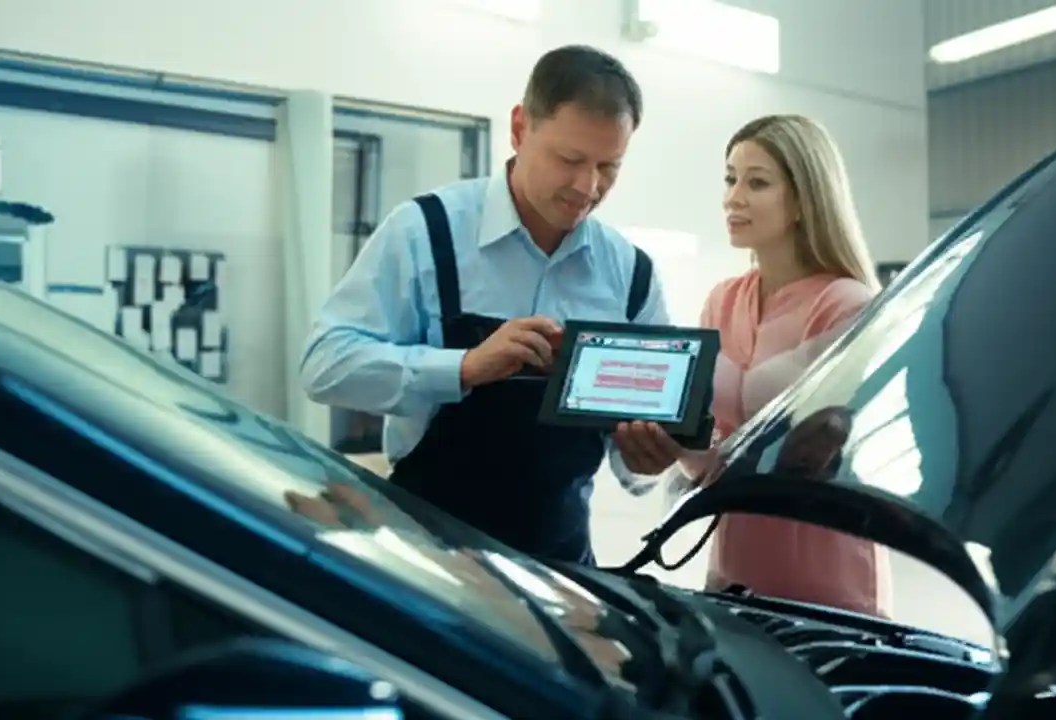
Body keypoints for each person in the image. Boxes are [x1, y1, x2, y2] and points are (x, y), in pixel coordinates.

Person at [298, 45, 669, 565]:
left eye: (609, 166)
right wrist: (464, 366)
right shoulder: (425, 233)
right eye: (570, 160)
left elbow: (638, 458)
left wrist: (646, 457)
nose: (588, 187)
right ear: (519, 128)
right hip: (429, 561)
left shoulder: (632, 276)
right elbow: (324, 366)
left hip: (563, 572)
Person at [612, 114, 893, 616]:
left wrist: (710, 434)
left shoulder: (846, 304)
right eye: (730, 178)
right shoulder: (723, 300)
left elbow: (810, 449)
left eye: (756, 182)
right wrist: (670, 443)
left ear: (805, 200)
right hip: (734, 572)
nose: (733, 197)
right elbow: (713, 456)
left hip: (830, 581)